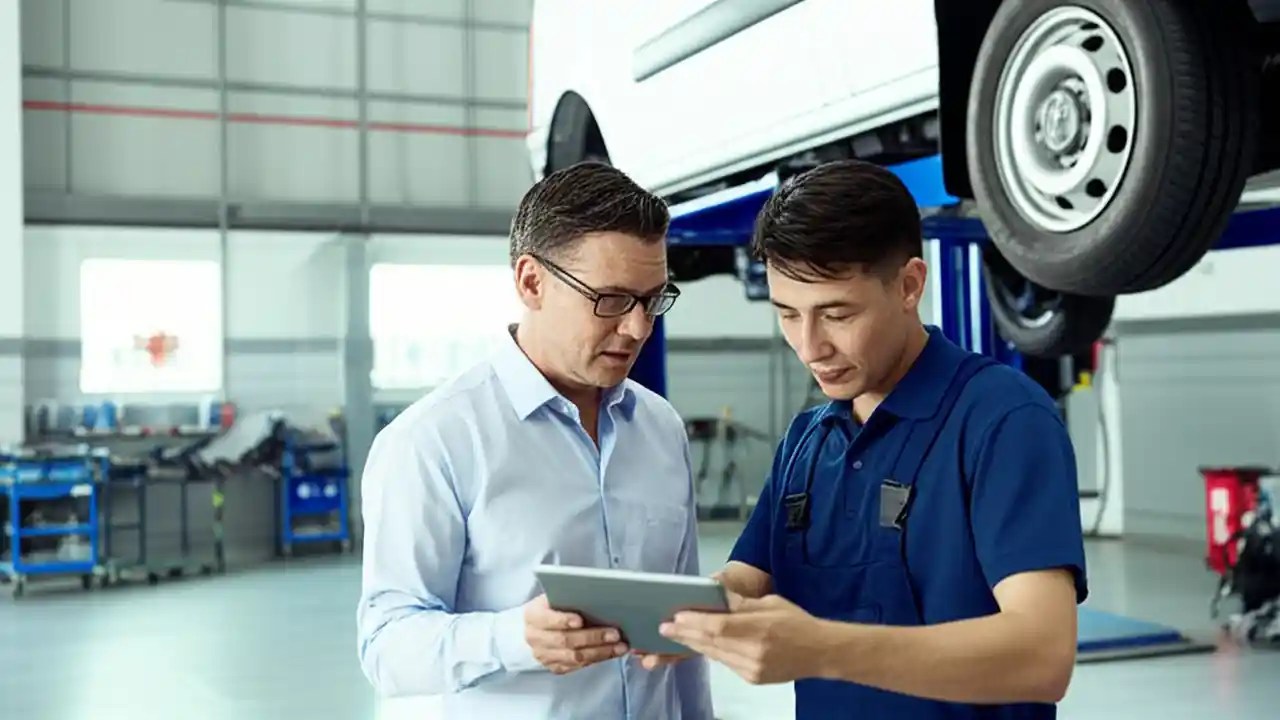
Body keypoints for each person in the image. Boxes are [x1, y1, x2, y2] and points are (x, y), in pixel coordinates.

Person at [654, 159, 1088, 719]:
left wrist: (823, 648)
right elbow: (746, 578)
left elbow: (1041, 656)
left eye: (836, 314)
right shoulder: (807, 440)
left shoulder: (1003, 421)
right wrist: (675, 612)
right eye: (788, 314)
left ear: (909, 285)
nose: (809, 346)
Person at [356, 161, 714, 719]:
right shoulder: (435, 441)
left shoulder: (661, 429)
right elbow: (385, 644)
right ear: (531, 281)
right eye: (613, 299)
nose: (639, 328)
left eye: (652, 299)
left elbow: (681, 640)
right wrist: (511, 639)